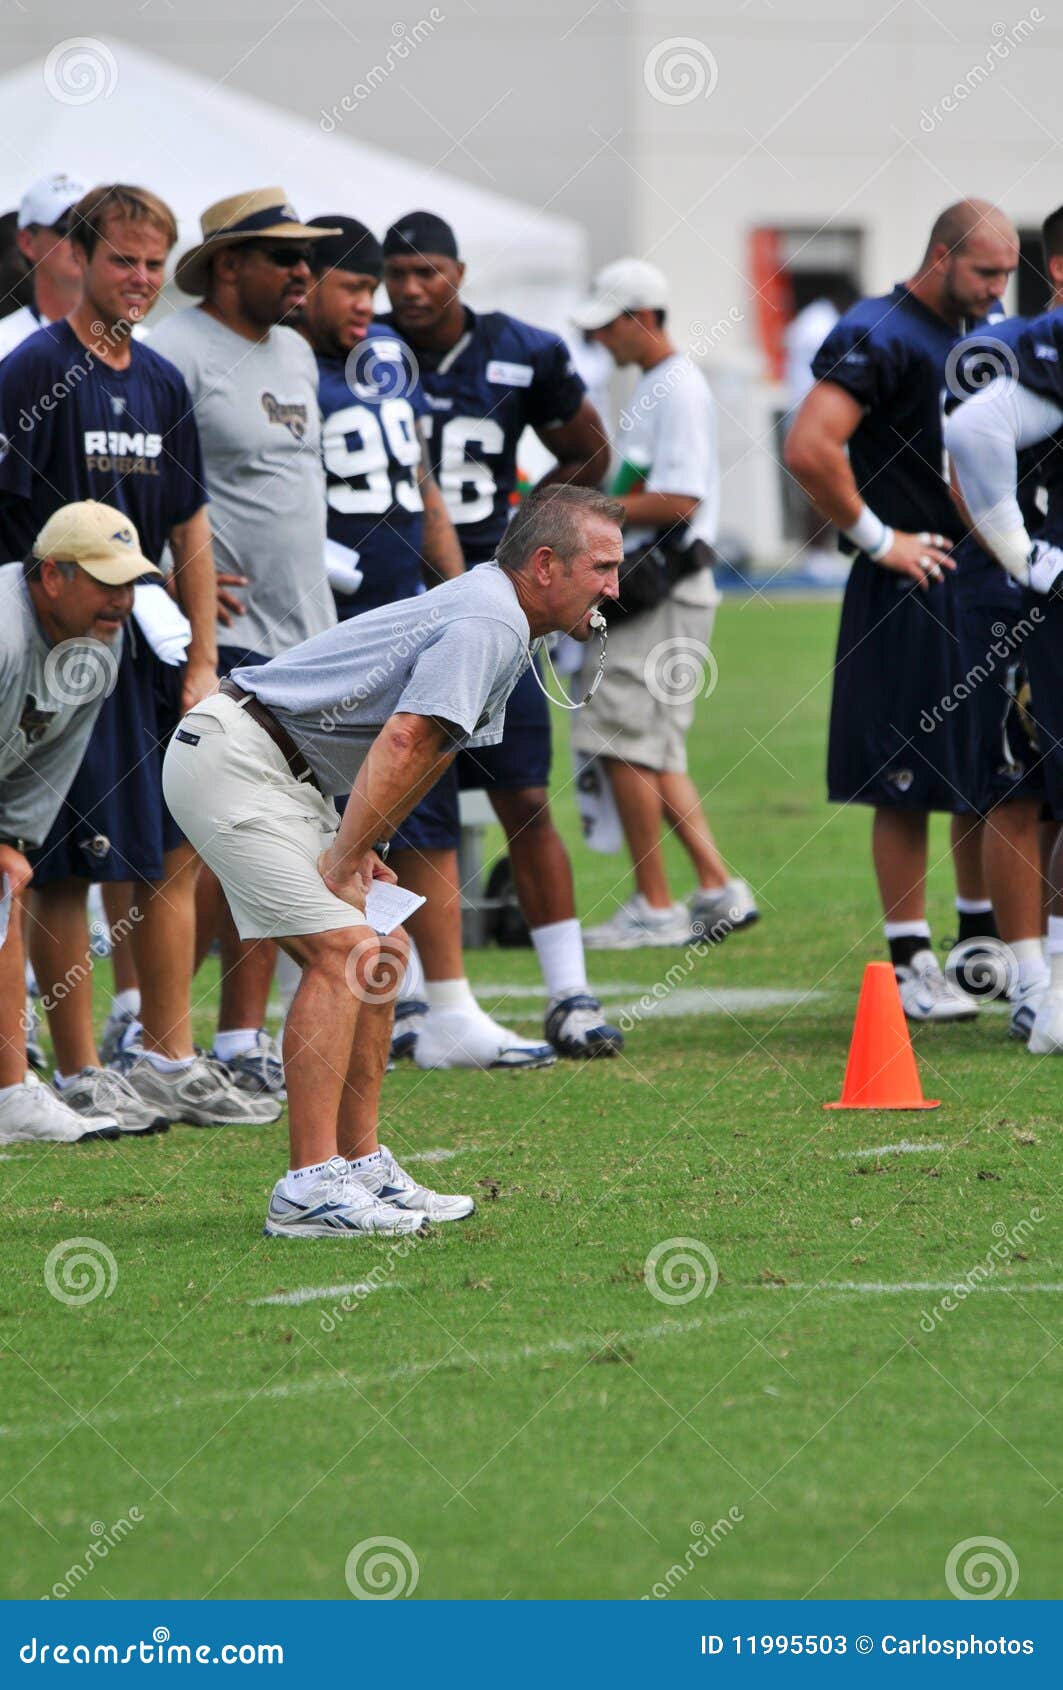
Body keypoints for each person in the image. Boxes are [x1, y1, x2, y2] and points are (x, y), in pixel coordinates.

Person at [163, 485, 622, 1236]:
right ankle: (305, 1188)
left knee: (387, 948)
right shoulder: (490, 619)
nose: (613, 586)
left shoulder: (502, 616)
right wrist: (347, 855)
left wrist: (367, 849)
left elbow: (433, 750)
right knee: (347, 950)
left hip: (282, 773)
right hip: (235, 760)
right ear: (544, 565)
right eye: (602, 566)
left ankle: (359, 1163)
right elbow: (405, 739)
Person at [0, 182, 276, 1134]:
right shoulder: (34, 372)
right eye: (124, 259)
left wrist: (200, 658)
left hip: (149, 652)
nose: (141, 279)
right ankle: (78, 1070)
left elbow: (190, 529)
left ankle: (168, 1055)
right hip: (66, 653)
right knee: (69, 862)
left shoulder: (159, 379)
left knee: (170, 850)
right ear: (76, 256)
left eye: (155, 264)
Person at [295, 214, 544, 1061]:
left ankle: (444, 1004)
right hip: (322, 629)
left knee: (423, 804)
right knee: (316, 815)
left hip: (402, 609)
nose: (374, 305)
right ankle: (312, 1001)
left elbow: (420, 486)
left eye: (374, 288)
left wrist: (459, 588)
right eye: (355, 287)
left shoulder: (386, 360)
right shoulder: (285, 364)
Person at [380, 211, 621, 1064]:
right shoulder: (362, 348)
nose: (411, 289)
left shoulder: (522, 349)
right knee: (402, 805)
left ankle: (570, 991)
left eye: (427, 272)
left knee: (524, 794)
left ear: (459, 271)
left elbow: (589, 450)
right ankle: (408, 997)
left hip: (495, 601)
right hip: (394, 605)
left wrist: (530, 534)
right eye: (396, 273)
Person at [785, 199, 1019, 1022]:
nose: (997, 292)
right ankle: (910, 955)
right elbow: (808, 444)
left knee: (985, 770)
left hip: (984, 580)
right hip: (909, 581)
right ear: (941, 255)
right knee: (908, 778)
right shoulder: (877, 327)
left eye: (1006, 275)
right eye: (985, 272)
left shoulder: (981, 333)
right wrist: (877, 537)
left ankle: (978, 943)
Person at [151, 188, 340, 1097]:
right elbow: (130, 484)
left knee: (281, 845)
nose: (304, 272)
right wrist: (158, 572)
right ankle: (161, 1039)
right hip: (221, 646)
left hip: (307, 647)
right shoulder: (173, 352)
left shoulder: (299, 351)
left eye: (308, 257)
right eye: (283, 256)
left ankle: (241, 1042)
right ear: (228, 265)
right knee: (200, 850)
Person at [568, 258, 758, 949]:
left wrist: (577, 509)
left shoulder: (673, 387)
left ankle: (654, 906)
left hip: (662, 585)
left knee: (616, 738)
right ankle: (715, 888)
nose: (600, 341)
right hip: (675, 586)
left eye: (607, 326)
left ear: (641, 317)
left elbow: (679, 502)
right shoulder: (663, 383)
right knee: (653, 747)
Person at [939, 211, 1063, 1042]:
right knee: (1016, 788)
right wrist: (1024, 556)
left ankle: (1051, 971)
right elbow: (969, 439)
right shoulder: (1017, 349)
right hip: (1023, 600)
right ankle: (1030, 984)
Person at [0, 504, 160, 1143]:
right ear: (52, 575)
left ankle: (11, 1092)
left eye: (129, 583)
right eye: (105, 582)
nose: (122, 601)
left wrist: (12, 841)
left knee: (6, 893)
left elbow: (47, 758)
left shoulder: (100, 646)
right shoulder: (5, 634)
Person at [0, 173, 86, 363]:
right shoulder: (4, 346)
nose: (81, 241)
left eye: (90, 229)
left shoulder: (143, 343)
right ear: (27, 242)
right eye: (66, 229)